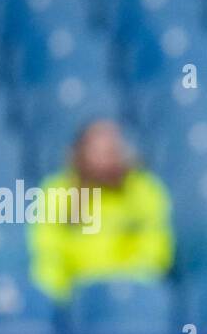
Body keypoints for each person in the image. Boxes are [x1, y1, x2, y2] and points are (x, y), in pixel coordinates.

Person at [29, 120, 173, 302]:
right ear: (80, 154)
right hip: (75, 303)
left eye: (114, 150)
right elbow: (48, 258)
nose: (110, 157)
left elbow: (155, 251)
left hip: (132, 297)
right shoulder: (56, 193)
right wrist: (68, 299)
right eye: (100, 151)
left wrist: (123, 291)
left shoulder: (145, 189)